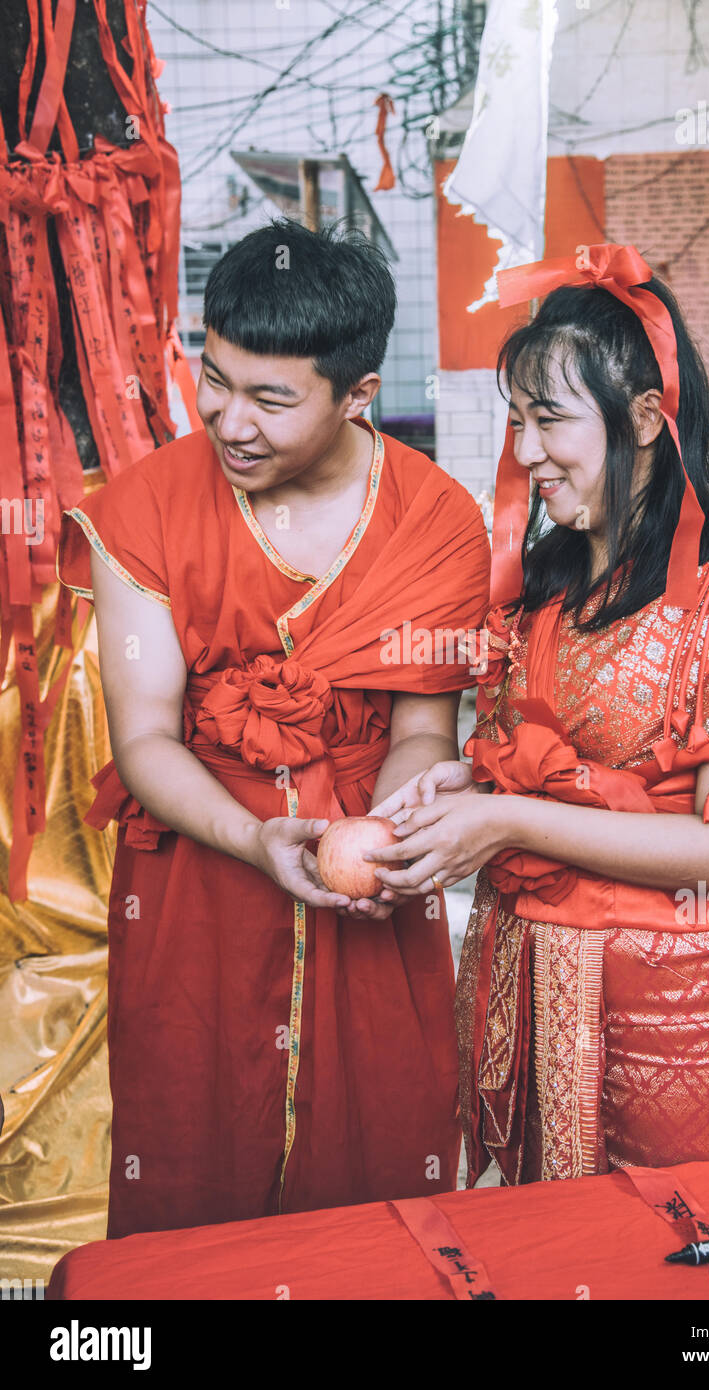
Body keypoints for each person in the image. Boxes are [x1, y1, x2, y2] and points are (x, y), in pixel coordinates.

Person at [367, 242, 709, 1186]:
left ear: (644, 417)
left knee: (675, 1254)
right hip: (526, 983)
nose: (524, 453)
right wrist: (470, 778)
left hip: (677, 1009)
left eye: (549, 420)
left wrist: (505, 819)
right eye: (516, 422)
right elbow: (555, 761)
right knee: (541, 1249)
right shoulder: (539, 586)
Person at [57, 218, 491, 1235]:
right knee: (191, 1137)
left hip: (365, 893)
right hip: (198, 875)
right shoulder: (148, 506)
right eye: (215, 379)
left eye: (271, 398)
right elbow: (147, 739)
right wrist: (256, 837)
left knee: (378, 1144)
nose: (228, 420)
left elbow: (422, 731)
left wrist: (390, 836)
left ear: (358, 395)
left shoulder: (434, 519)